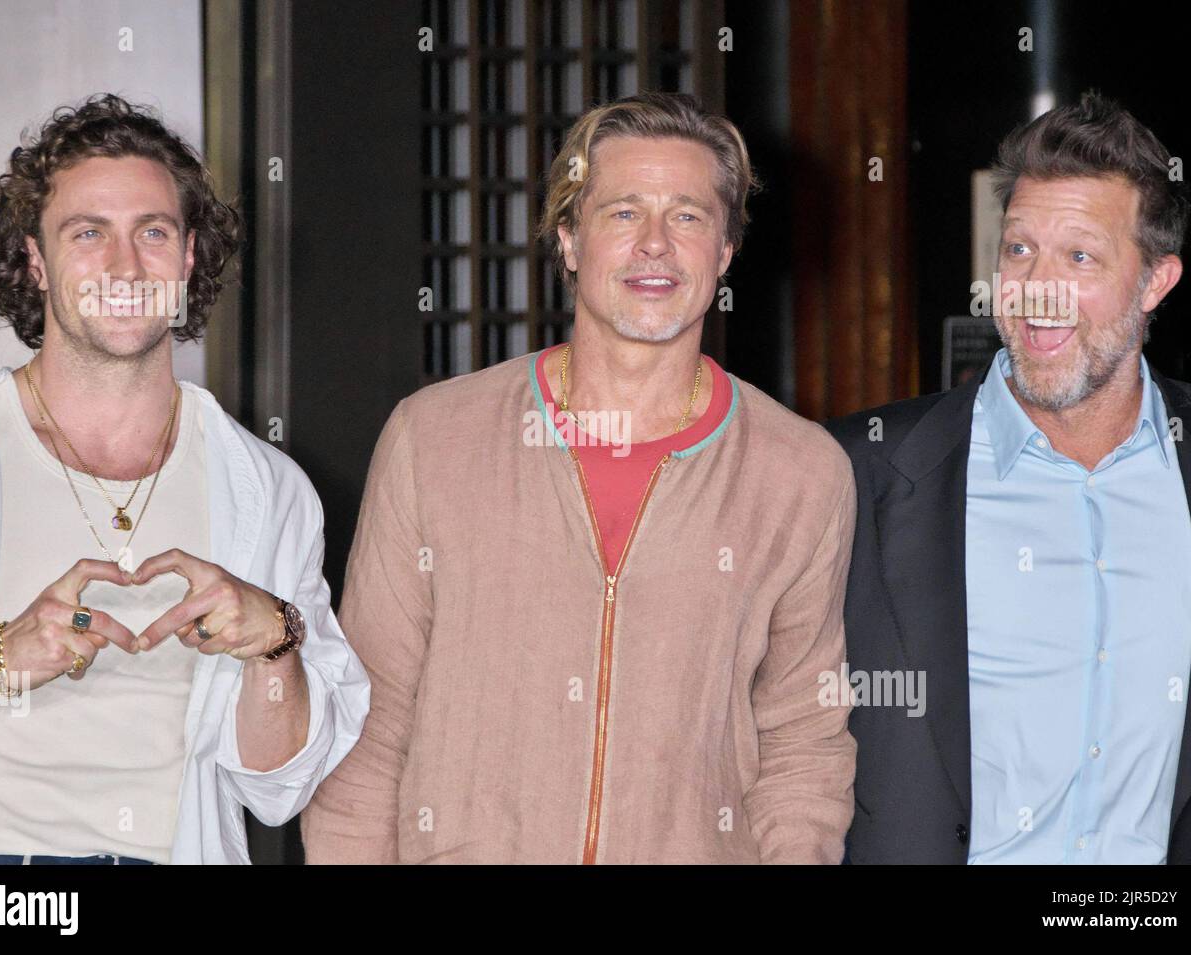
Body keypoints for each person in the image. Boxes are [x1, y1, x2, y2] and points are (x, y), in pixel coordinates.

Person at [302, 92, 857, 864]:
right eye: (623, 213)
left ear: (726, 250)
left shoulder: (800, 471)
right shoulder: (434, 438)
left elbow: (803, 736)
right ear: (568, 238)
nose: (656, 245)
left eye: (689, 216)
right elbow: (368, 715)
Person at [0, 94, 369, 865]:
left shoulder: (267, 487)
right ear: (35, 257)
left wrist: (273, 645)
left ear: (190, 254)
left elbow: (277, 784)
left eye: (153, 232)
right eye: (88, 232)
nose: (125, 265)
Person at [828, 92, 1191, 863]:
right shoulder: (863, 473)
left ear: (1155, 282)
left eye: (1079, 257)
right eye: (1019, 250)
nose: (1035, 287)